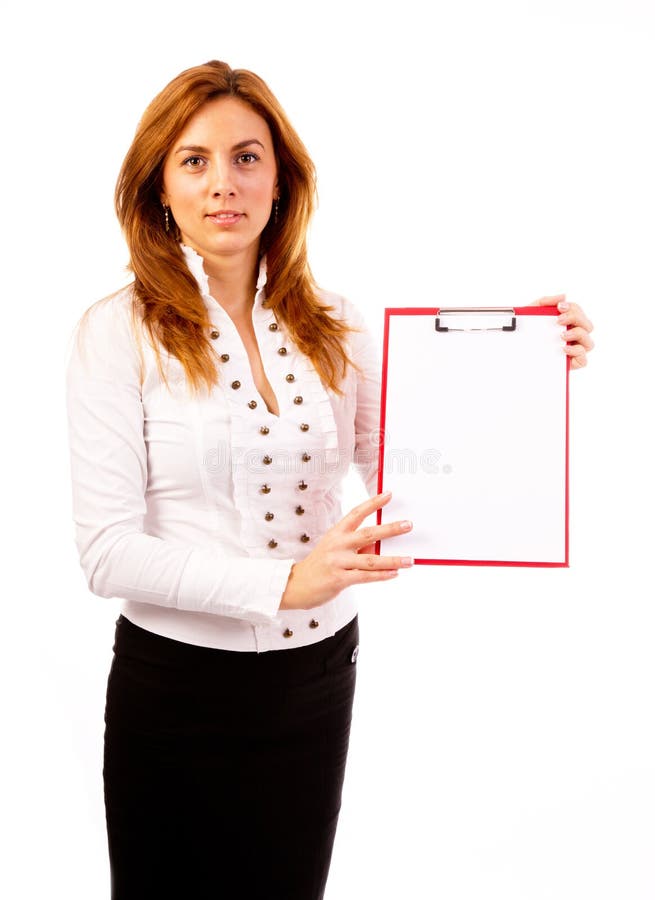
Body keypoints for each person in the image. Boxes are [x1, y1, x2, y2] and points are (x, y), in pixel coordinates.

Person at [66, 60, 595, 900]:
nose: (222, 183)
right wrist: (288, 581)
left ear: (281, 179)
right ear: (159, 188)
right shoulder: (114, 332)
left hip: (317, 682)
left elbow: (414, 464)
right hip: (176, 692)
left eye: (246, 157)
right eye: (192, 160)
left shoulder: (336, 321)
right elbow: (106, 554)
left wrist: (524, 366)